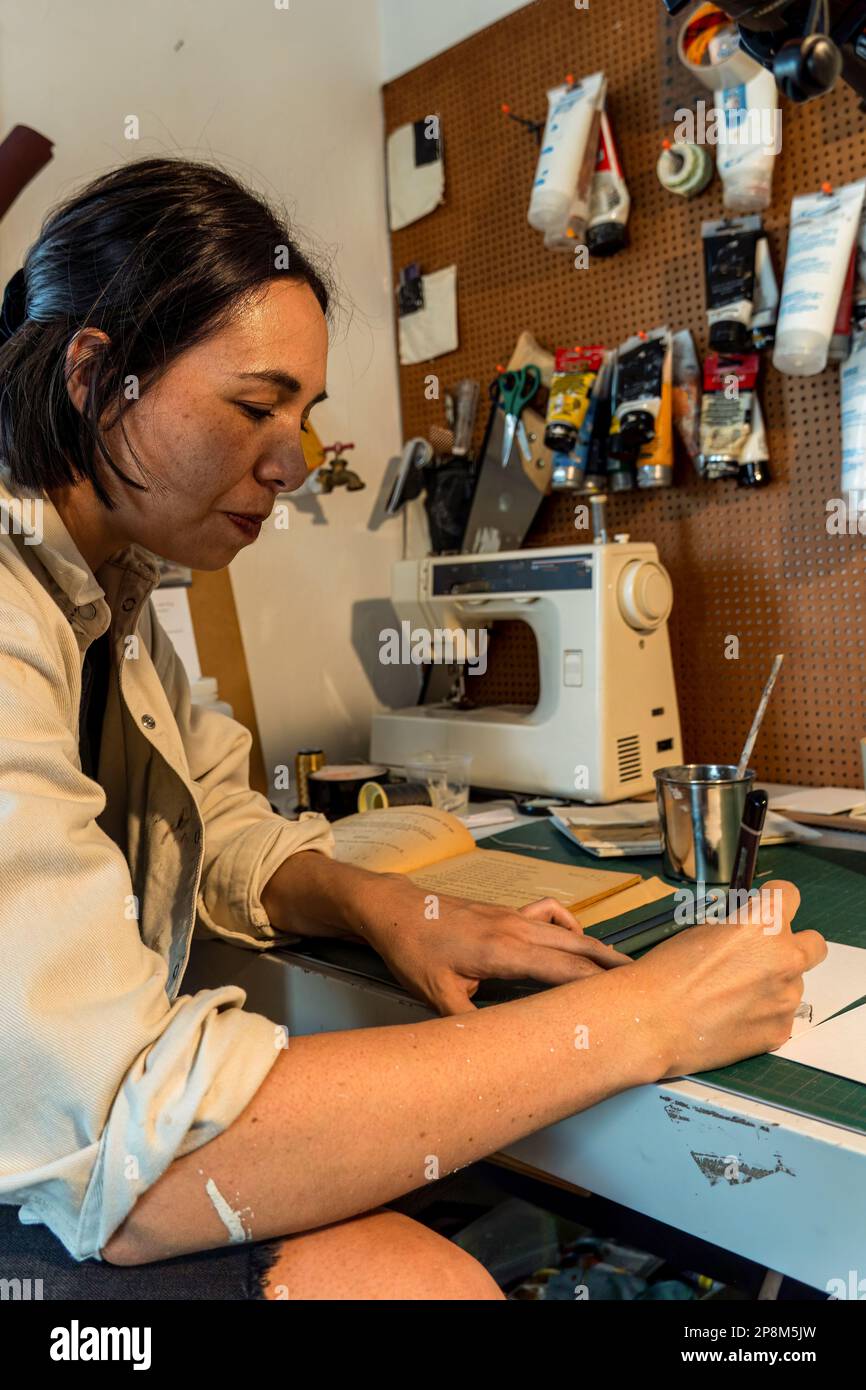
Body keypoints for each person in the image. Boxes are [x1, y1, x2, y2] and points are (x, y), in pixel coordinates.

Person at [0, 157, 825, 1301]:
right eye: (253, 406)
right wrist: (647, 1014)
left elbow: (218, 819)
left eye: (302, 417)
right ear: (98, 376)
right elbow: (149, 1152)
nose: (290, 468)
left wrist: (394, 905)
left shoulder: (116, 593)